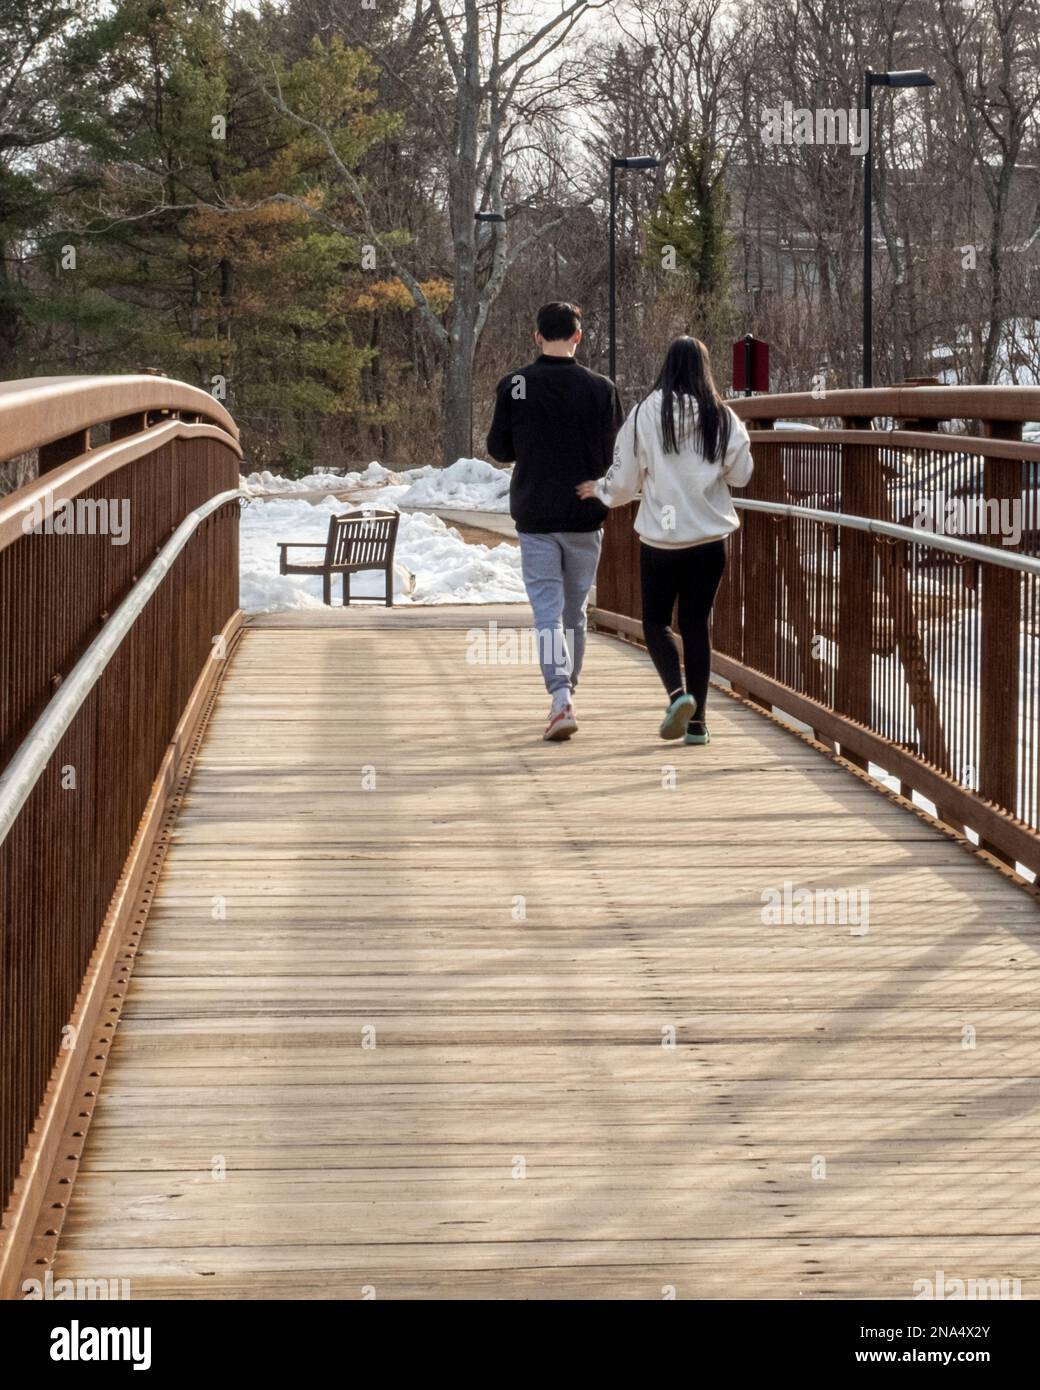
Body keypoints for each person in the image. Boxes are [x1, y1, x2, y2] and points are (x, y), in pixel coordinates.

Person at [577, 336, 753, 744]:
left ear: (666, 367)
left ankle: (677, 695)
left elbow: (623, 482)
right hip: (710, 540)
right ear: (705, 370)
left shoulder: (644, 414)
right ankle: (698, 725)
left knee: (655, 622)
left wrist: (601, 489)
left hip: (662, 541)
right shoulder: (723, 416)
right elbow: (741, 474)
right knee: (696, 625)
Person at [487, 301, 623, 740]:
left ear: (537, 335)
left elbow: (500, 449)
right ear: (578, 336)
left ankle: (560, 695)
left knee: (547, 611)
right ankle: (567, 693)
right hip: (584, 514)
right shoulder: (600, 388)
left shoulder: (517, 385)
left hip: (535, 512)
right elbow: (610, 457)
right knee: (575, 612)